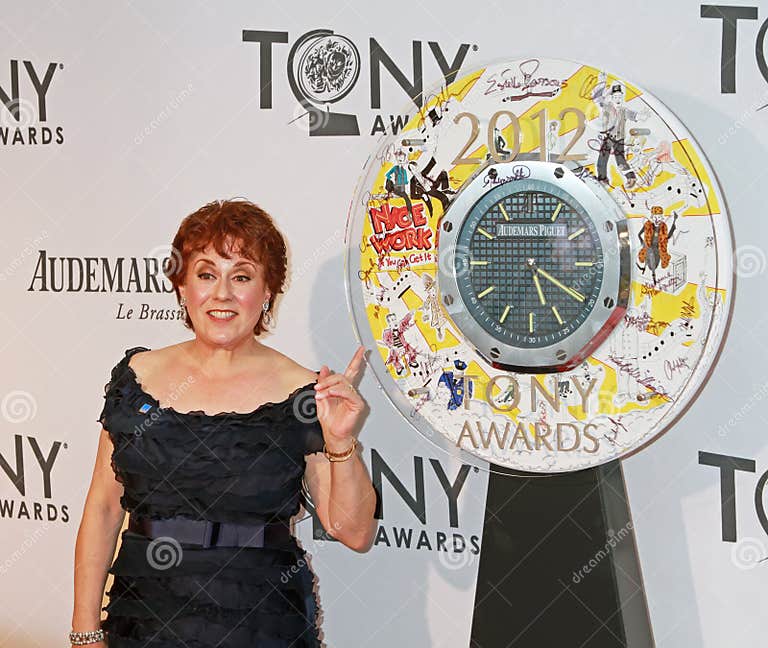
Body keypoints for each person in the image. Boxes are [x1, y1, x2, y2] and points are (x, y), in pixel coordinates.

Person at [70, 198, 377, 647]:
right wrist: (84, 630)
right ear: (182, 286)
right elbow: (102, 509)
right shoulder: (135, 378)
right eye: (206, 274)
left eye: (242, 276)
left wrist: (340, 441)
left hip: (262, 626)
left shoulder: (305, 394)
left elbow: (352, 531)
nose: (223, 295)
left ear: (268, 289)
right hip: (142, 623)